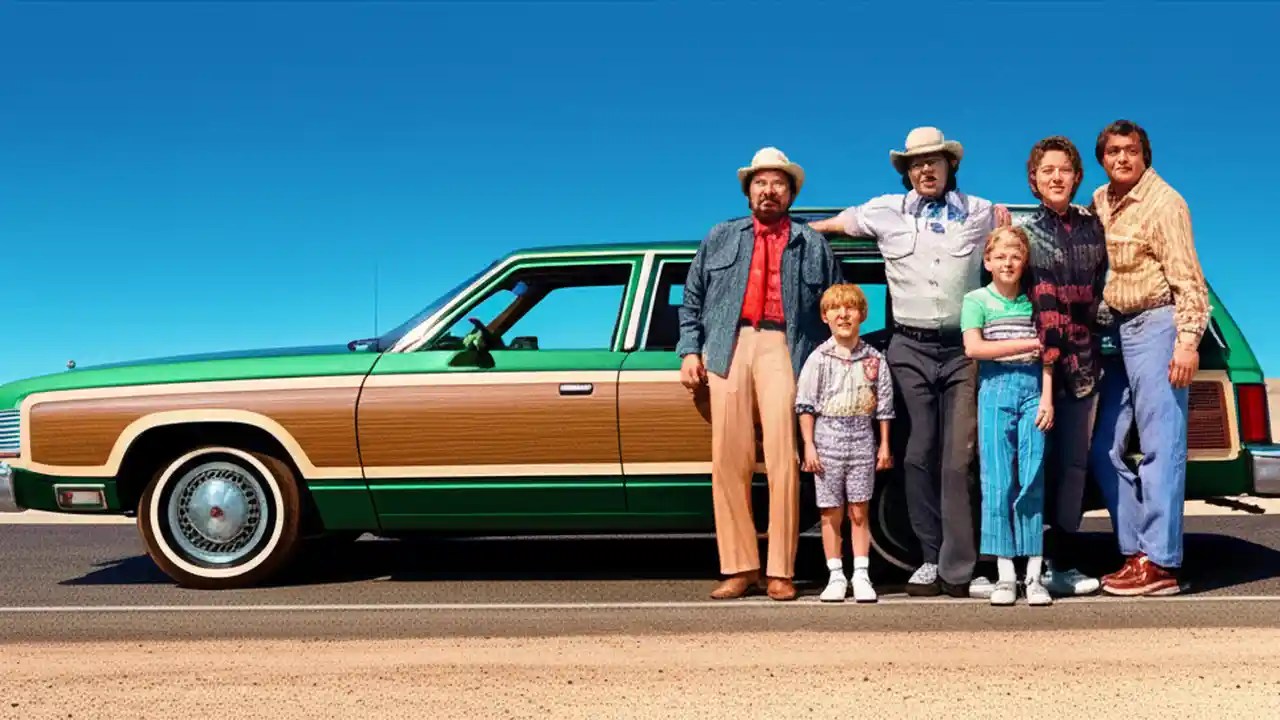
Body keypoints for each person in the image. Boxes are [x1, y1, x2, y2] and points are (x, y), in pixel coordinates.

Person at [809, 127, 1009, 597]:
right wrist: (794, 233)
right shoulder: (885, 210)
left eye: (933, 161)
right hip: (908, 349)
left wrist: (1007, 224)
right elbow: (836, 224)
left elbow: (1012, 243)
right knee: (917, 454)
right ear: (907, 172)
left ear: (949, 166)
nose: (924, 170)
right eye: (915, 164)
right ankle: (929, 557)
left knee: (959, 458)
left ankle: (960, 570)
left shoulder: (981, 211)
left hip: (963, 348)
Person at [677, 147, 843, 601]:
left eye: (778, 184)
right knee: (728, 460)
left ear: (791, 193)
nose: (769, 191)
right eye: (761, 183)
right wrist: (689, 351)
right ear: (748, 191)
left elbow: (836, 303)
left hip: (787, 347)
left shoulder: (812, 244)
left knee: (784, 461)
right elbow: (691, 301)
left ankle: (780, 571)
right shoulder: (720, 236)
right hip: (727, 347)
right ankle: (739, 567)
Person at [1088, 120, 1211, 596]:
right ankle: (1136, 550)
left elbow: (1188, 277)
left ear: (1145, 156)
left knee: (1162, 445)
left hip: (1158, 325)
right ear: (1102, 159)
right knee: (1104, 447)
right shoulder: (1101, 200)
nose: (1122, 158)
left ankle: (1160, 563)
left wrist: (1187, 342)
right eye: (1113, 151)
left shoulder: (1166, 203)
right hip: (1115, 332)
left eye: (1131, 150)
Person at [1019, 136, 1107, 597]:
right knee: (1031, 463)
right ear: (1033, 180)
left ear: (1076, 177)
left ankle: (1063, 559)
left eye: (1064, 170)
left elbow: (1109, 289)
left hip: (1085, 362)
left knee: (1073, 464)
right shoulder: (1023, 234)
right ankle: (1023, 561)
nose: (1056, 177)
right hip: (1032, 365)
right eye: (1047, 170)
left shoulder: (1097, 230)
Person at [961, 226, 1055, 606]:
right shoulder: (976, 300)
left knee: (1032, 478)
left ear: (1025, 261)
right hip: (994, 390)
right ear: (987, 262)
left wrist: (1047, 397)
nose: (1007, 263)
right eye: (999, 256)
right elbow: (974, 348)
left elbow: (1050, 355)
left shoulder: (1037, 301)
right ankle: (1004, 575)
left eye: (1015, 256)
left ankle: (1033, 575)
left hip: (1034, 390)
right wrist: (1031, 342)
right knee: (997, 480)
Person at [795, 283, 895, 603]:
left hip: (862, 436)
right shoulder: (818, 359)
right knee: (830, 511)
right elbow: (806, 405)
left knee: (859, 510)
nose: (843, 314)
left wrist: (884, 445)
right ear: (825, 316)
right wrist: (809, 445)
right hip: (827, 436)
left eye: (850, 308)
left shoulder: (874, 359)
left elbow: (884, 408)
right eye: (835, 309)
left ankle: (861, 574)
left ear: (862, 315)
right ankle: (835, 574)